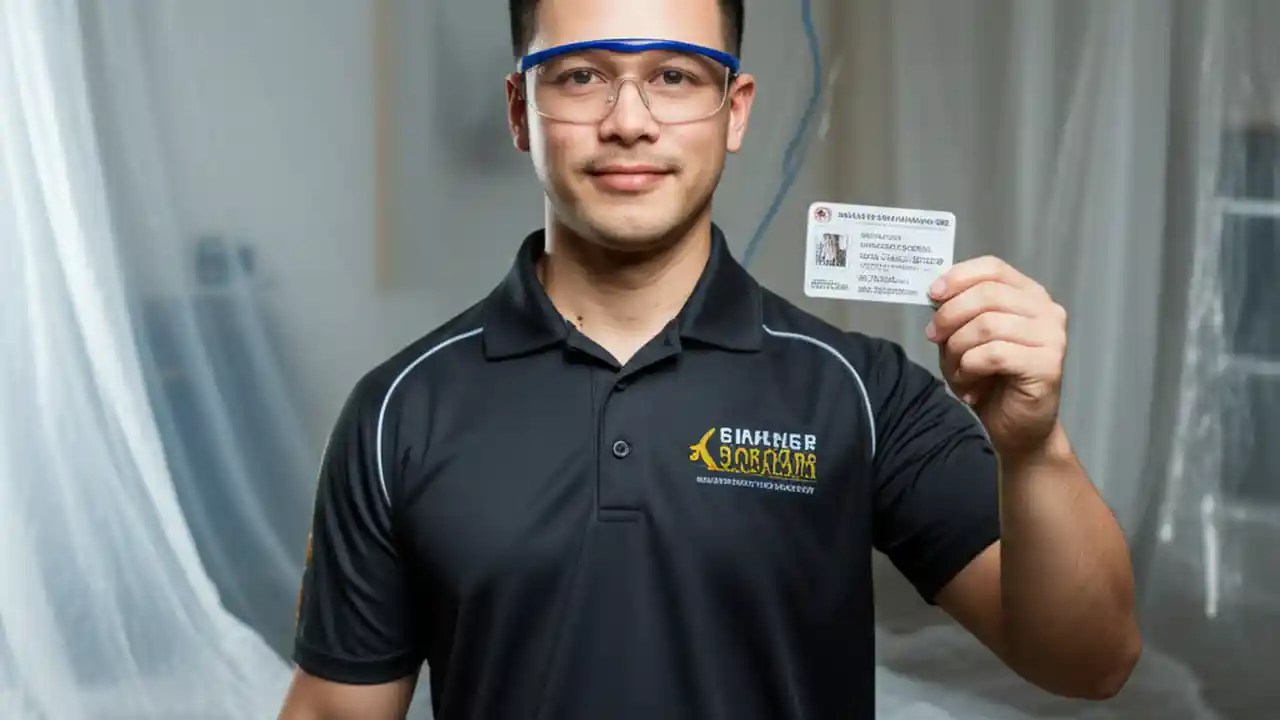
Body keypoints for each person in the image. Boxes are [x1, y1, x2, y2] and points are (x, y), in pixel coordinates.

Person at [278, 0, 1141, 717]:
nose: (628, 121)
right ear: (519, 111)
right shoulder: (399, 410)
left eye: (673, 76)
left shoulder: (856, 390)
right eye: (582, 76)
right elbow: (335, 707)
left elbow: (1090, 661)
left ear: (734, 111)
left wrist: (1034, 451)